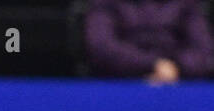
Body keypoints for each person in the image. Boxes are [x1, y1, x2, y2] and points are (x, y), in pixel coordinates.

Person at [85, 0, 214, 82]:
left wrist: (177, 67)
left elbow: (204, 50)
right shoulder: (106, 4)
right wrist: (153, 65)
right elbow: (102, 46)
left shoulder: (186, 4)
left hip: (178, 86)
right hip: (120, 85)